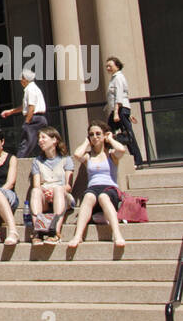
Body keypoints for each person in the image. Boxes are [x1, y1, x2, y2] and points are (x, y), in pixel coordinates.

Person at [67, 123, 128, 254]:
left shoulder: (111, 154)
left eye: (98, 134)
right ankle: (78, 236)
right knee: (89, 196)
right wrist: (86, 142)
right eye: (91, 134)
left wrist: (110, 139)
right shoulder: (89, 156)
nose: (95, 137)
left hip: (110, 189)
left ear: (104, 135)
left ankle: (117, 234)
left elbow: (122, 150)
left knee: (103, 196)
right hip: (92, 190)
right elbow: (77, 155)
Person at [27, 127, 74, 243]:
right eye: (39, 138)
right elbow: (36, 185)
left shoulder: (66, 159)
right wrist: (45, 191)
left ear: (54, 140)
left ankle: (55, 232)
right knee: (35, 191)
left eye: (43, 137)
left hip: (62, 196)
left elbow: (68, 186)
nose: (40, 141)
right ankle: (38, 231)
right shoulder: (37, 161)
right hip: (45, 197)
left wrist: (54, 191)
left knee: (58, 189)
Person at [105, 57, 144, 168]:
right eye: (106, 66)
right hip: (120, 110)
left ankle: (137, 161)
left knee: (127, 134)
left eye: (110, 66)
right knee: (109, 132)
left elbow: (119, 96)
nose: (108, 68)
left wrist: (117, 113)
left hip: (119, 110)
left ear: (117, 66)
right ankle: (111, 157)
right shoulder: (114, 78)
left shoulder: (118, 78)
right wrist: (128, 113)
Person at [1, 69, 48, 157]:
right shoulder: (34, 88)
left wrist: (27, 122)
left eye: (21, 78)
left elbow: (31, 107)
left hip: (34, 119)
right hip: (39, 119)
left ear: (25, 79)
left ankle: (19, 162)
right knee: (41, 142)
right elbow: (25, 107)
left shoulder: (30, 89)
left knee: (26, 143)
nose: (20, 81)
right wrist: (11, 111)